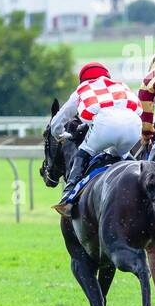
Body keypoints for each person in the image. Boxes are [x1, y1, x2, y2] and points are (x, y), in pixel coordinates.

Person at [52, 63, 144, 211]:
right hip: (134, 125)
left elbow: (57, 122)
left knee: (84, 151)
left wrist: (60, 134)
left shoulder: (83, 89)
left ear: (83, 79)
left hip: (105, 125)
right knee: (121, 155)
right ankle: (143, 180)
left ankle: (68, 196)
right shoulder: (121, 85)